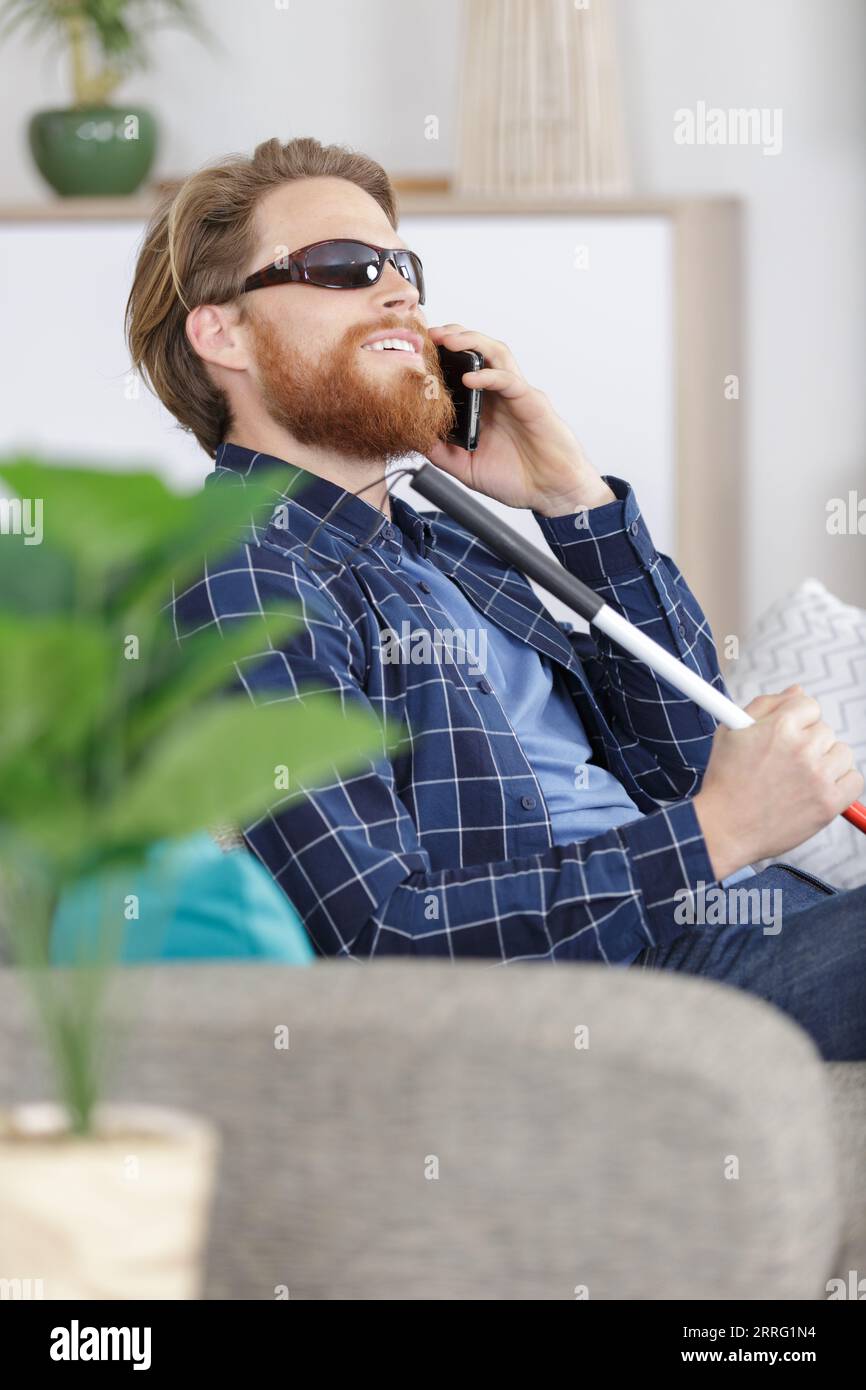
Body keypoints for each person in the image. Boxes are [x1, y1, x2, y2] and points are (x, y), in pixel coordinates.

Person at [126, 136, 865, 1059]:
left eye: (402, 266)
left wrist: (574, 501)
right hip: (616, 988)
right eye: (343, 267)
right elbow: (378, 934)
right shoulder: (242, 577)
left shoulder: (446, 542)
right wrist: (717, 833)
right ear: (221, 332)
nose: (398, 291)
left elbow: (680, 767)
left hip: (742, 919)